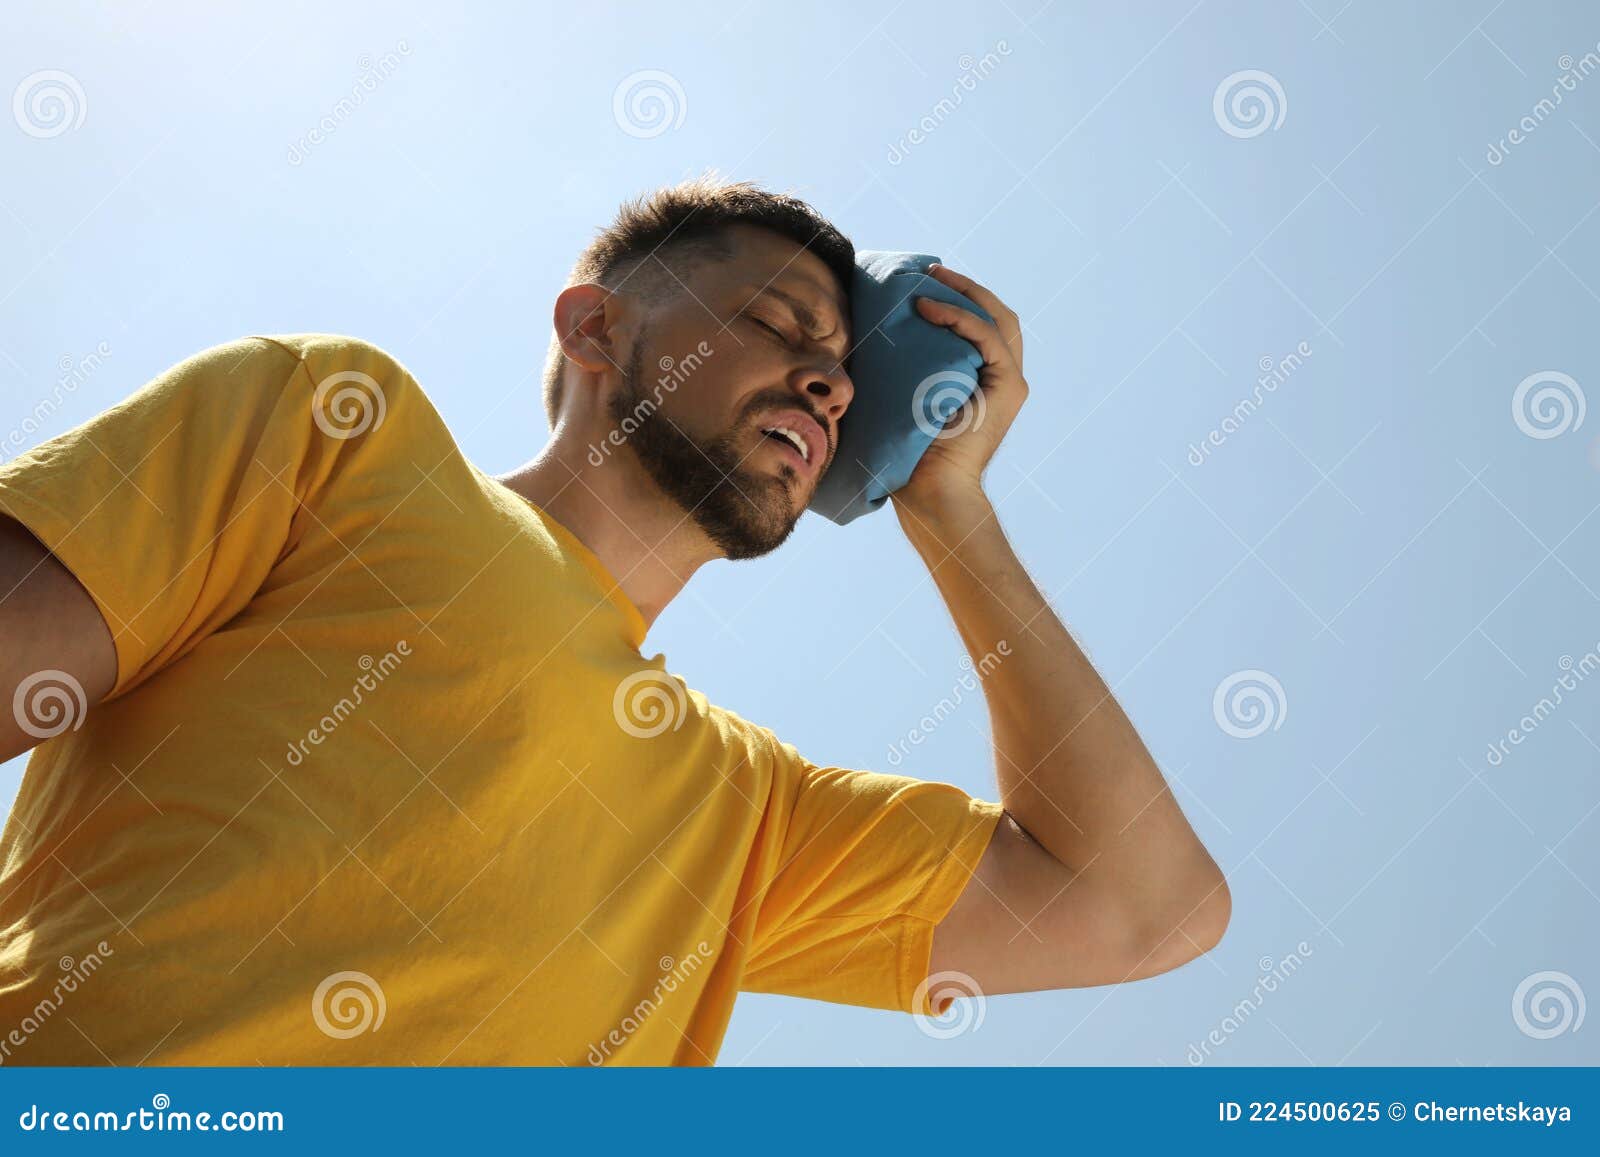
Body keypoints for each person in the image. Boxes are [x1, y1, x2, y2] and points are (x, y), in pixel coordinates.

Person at [0, 176, 1228, 1065]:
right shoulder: (343, 432)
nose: (826, 378)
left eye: (844, 377)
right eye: (778, 324)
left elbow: (1144, 907)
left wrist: (949, 509)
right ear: (595, 330)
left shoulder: (744, 812)